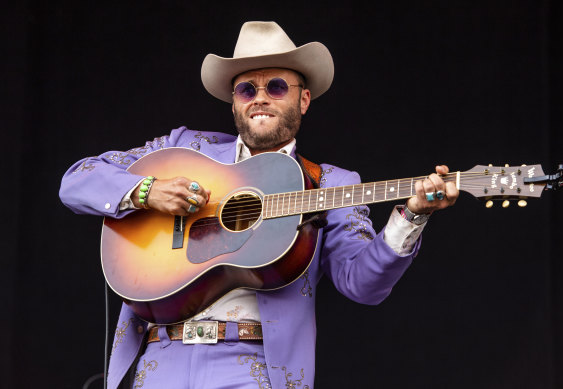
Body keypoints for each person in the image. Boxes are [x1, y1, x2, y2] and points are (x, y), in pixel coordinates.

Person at [60, 21, 458, 389]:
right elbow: (77, 179)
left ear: (303, 100)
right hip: (161, 359)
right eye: (247, 89)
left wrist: (412, 216)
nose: (260, 99)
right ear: (234, 102)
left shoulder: (330, 183)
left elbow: (362, 284)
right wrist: (148, 191)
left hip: (254, 370)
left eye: (277, 87)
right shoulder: (184, 148)